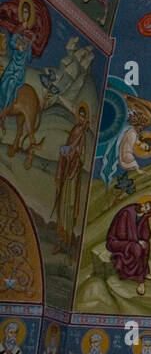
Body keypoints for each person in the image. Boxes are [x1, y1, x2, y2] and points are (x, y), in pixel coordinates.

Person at [52, 103, 91, 253]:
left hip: (73, 174)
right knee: (63, 207)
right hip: (67, 173)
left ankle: (66, 241)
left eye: (83, 116)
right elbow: (68, 148)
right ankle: (61, 240)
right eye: (79, 116)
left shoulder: (82, 134)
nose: (81, 118)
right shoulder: (76, 130)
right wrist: (67, 152)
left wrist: (72, 153)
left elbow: (82, 156)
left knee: (69, 205)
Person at [105, 199, 151, 296]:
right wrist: (137, 241)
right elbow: (121, 234)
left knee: (146, 245)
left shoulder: (143, 216)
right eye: (145, 204)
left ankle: (145, 272)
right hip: (116, 241)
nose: (143, 206)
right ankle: (140, 281)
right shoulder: (127, 212)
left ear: (147, 212)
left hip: (130, 241)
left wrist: (144, 238)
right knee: (137, 249)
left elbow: (146, 234)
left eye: (146, 208)